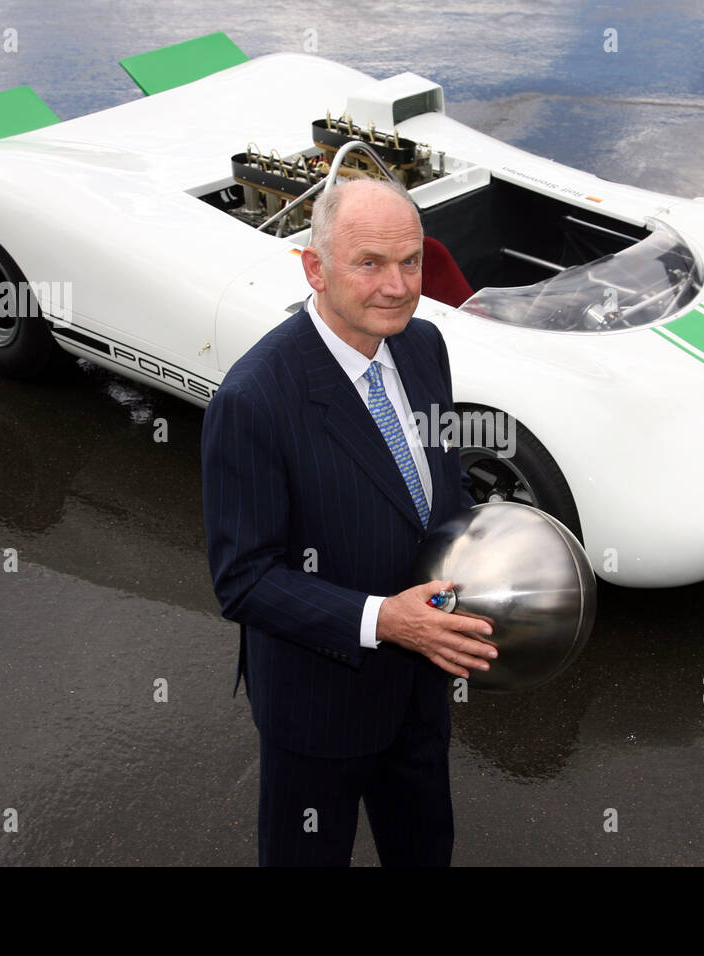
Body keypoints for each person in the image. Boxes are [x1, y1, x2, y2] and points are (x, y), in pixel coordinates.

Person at [200, 177, 497, 867]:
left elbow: (434, 492)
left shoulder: (424, 346)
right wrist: (383, 620)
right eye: (369, 264)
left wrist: (491, 545)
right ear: (315, 267)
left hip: (421, 691)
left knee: (425, 851)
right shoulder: (255, 400)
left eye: (412, 261)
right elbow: (242, 581)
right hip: (318, 708)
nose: (397, 286)